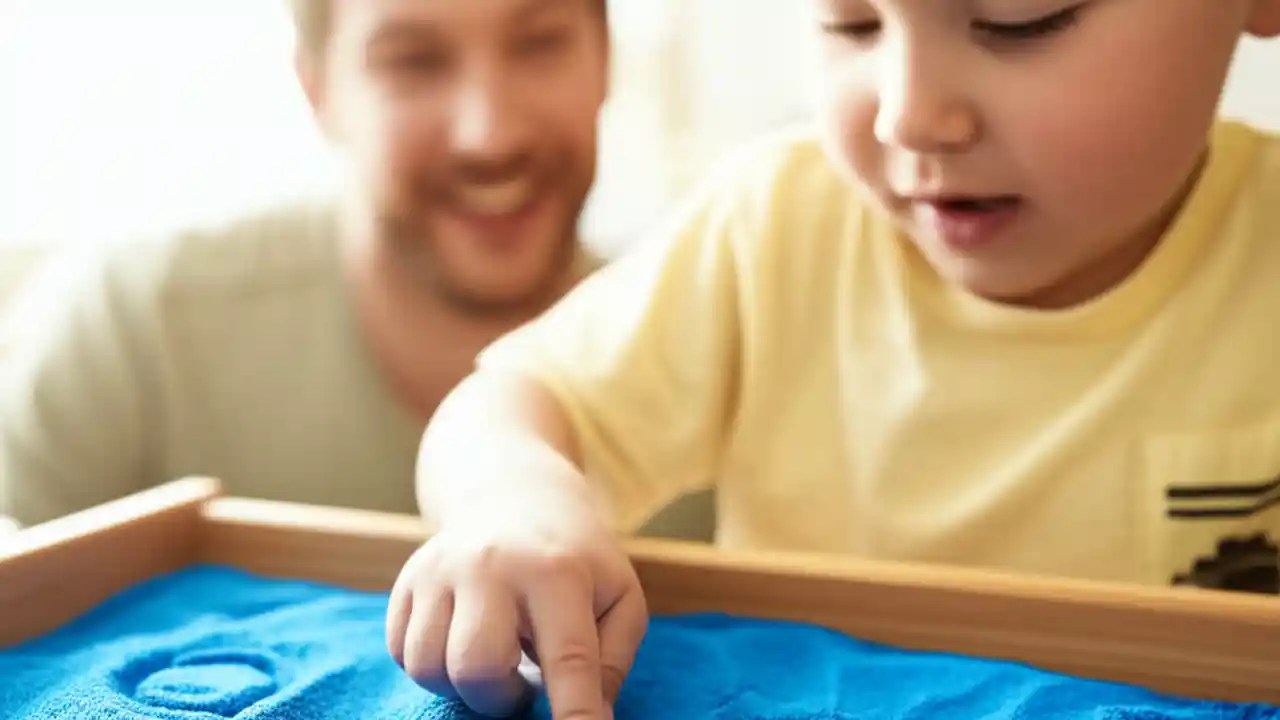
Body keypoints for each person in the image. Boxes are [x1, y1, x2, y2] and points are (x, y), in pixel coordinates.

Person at [387, 0, 1280, 718]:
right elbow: (514, 399)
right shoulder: (780, 226)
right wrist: (516, 500)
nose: (911, 116)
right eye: (851, 22)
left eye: (1020, 21)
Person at [0, 0, 644, 529]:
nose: (490, 134)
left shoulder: (726, 359)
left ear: (606, 58)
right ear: (319, 91)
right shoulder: (136, 338)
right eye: (413, 62)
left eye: (539, 45)